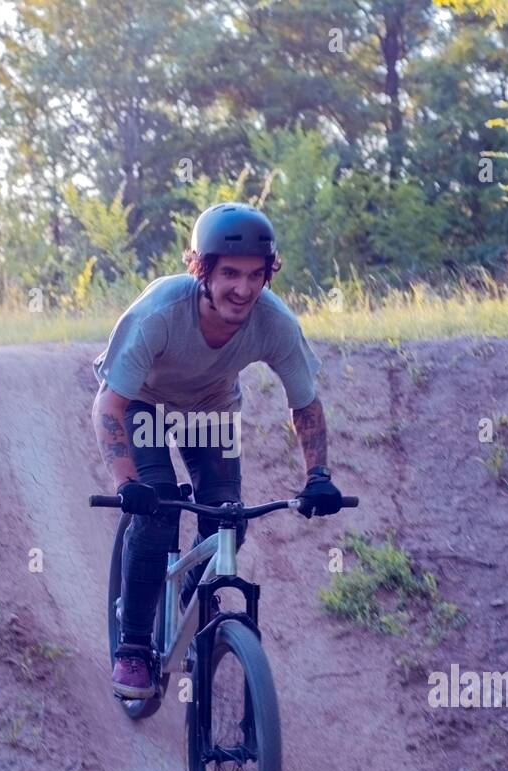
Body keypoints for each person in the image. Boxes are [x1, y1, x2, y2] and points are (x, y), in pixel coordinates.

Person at [91, 202, 343, 699]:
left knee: (228, 519)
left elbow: (306, 405)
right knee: (159, 506)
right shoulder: (160, 313)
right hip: (142, 402)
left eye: (256, 275)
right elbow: (108, 406)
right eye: (229, 273)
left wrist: (318, 476)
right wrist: (127, 484)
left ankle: (189, 597)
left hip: (210, 406)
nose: (243, 289)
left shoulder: (273, 322)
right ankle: (135, 645)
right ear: (201, 270)